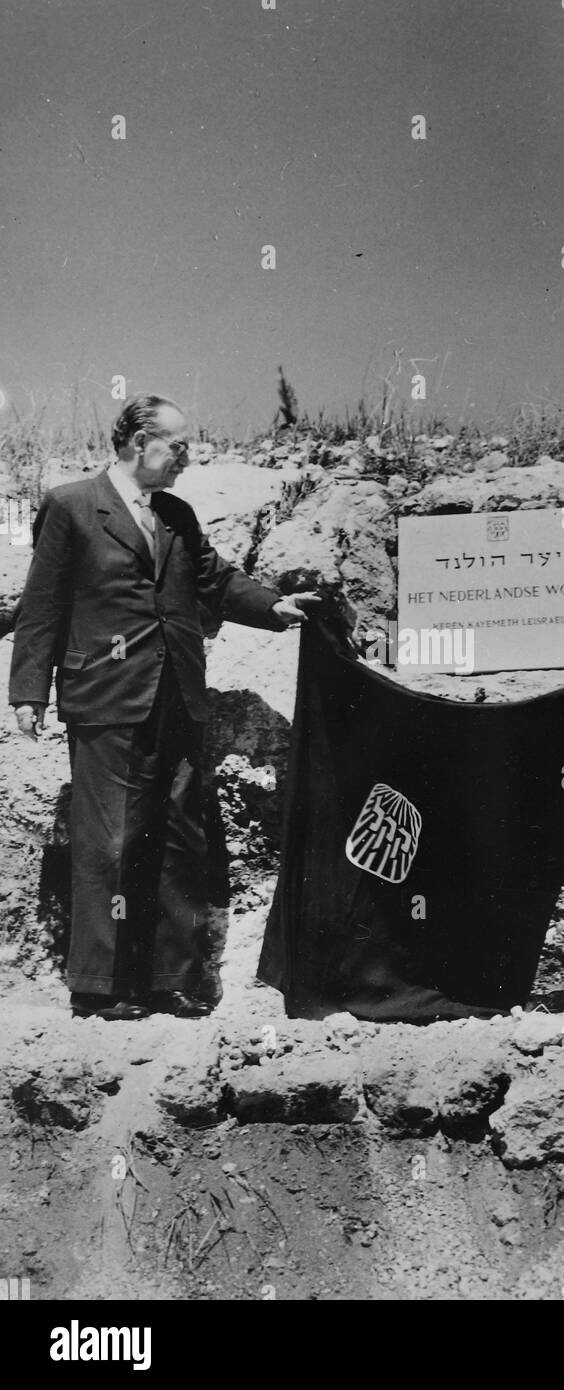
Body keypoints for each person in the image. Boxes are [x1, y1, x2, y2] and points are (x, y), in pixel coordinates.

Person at [9, 394, 320, 1021]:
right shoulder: (71, 505)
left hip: (176, 695)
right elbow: (42, 603)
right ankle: (102, 982)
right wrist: (27, 690)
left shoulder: (177, 513)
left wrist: (273, 608)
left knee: (178, 835)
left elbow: (215, 579)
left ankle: (168, 978)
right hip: (105, 697)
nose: (187, 456)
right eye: (177, 445)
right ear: (136, 441)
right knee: (111, 839)